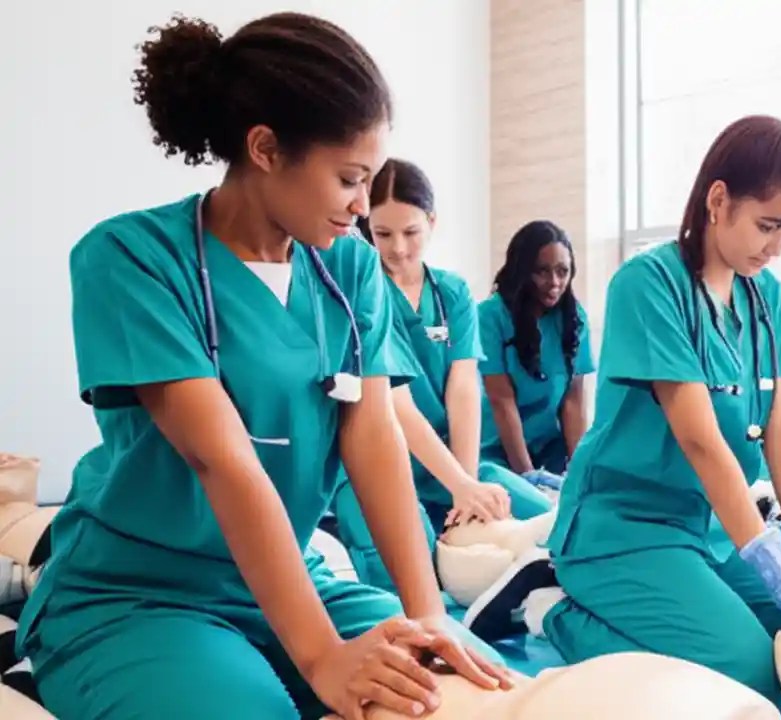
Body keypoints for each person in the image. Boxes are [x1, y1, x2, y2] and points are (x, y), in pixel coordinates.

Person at [16, 13, 511, 720]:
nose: (362, 208)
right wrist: (321, 659)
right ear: (266, 149)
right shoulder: (132, 259)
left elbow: (373, 437)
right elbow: (225, 460)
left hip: (292, 581)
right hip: (143, 593)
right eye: (349, 178)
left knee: (474, 692)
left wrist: (426, 614)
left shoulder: (350, 270)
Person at [465, 115, 781, 703]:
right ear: (718, 200)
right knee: (747, 667)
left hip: (707, 526)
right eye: (766, 225)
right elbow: (700, 438)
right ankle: (553, 608)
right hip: (623, 527)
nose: (777, 246)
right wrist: (767, 557)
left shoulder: (768, 299)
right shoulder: (648, 284)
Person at [329, 159, 554, 591]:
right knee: (417, 577)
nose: (397, 248)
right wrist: (460, 486)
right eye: (382, 234)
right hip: (379, 466)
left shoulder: (451, 292)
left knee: (551, 525)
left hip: (450, 462)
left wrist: (466, 485)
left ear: (431, 222)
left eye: (411, 232)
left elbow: (463, 390)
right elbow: (397, 404)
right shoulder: (365, 292)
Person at [477, 220, 595, 488]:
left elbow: (573, 403)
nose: (554, 282)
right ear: (522, 270)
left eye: (562, 271)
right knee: (531, 508)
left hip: (551, 449)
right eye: (542, 271)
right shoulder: (490, 316)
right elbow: (501, 400)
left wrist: (578, 474)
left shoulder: (575, 319)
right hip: (499, 454)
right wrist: (529, 479)